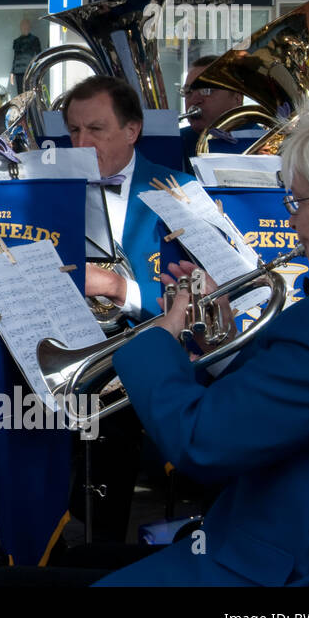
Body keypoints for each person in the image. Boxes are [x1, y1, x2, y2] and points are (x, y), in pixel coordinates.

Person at [99, 83, 309, 585]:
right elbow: (305, 402)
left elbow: (201, 443)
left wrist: (158, 336)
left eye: (297, 200)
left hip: (273, 567)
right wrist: (224, 347)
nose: (293, 220)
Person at [63, 75, 194, 542]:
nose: (81, 143)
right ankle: (33, 542)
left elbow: (199, 302)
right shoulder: (50, 190)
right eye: (73, 131)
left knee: (108, 417)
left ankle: (103, 547)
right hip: (66, 346)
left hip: (143, 351)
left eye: (96, 130)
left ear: (133, 130)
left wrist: (121, 289)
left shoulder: (178, 191)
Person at [178, 55, 244, 163]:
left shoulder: (264, 142)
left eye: (207, 90)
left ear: (237, 98)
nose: (194, 100)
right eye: (188, 91)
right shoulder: (177, 140)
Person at [10, 18, 42, 90]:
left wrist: (38, 72)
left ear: (29, 27)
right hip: (19, 71)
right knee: (20, 91)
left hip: (30, 71)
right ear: (20, 27)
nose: (25, 27)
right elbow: (15, 57)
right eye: (23, 25)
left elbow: (39, 56)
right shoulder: (17, 41)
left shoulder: (34, 40)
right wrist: (12, 73)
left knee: (29, 91)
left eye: (26, 25)